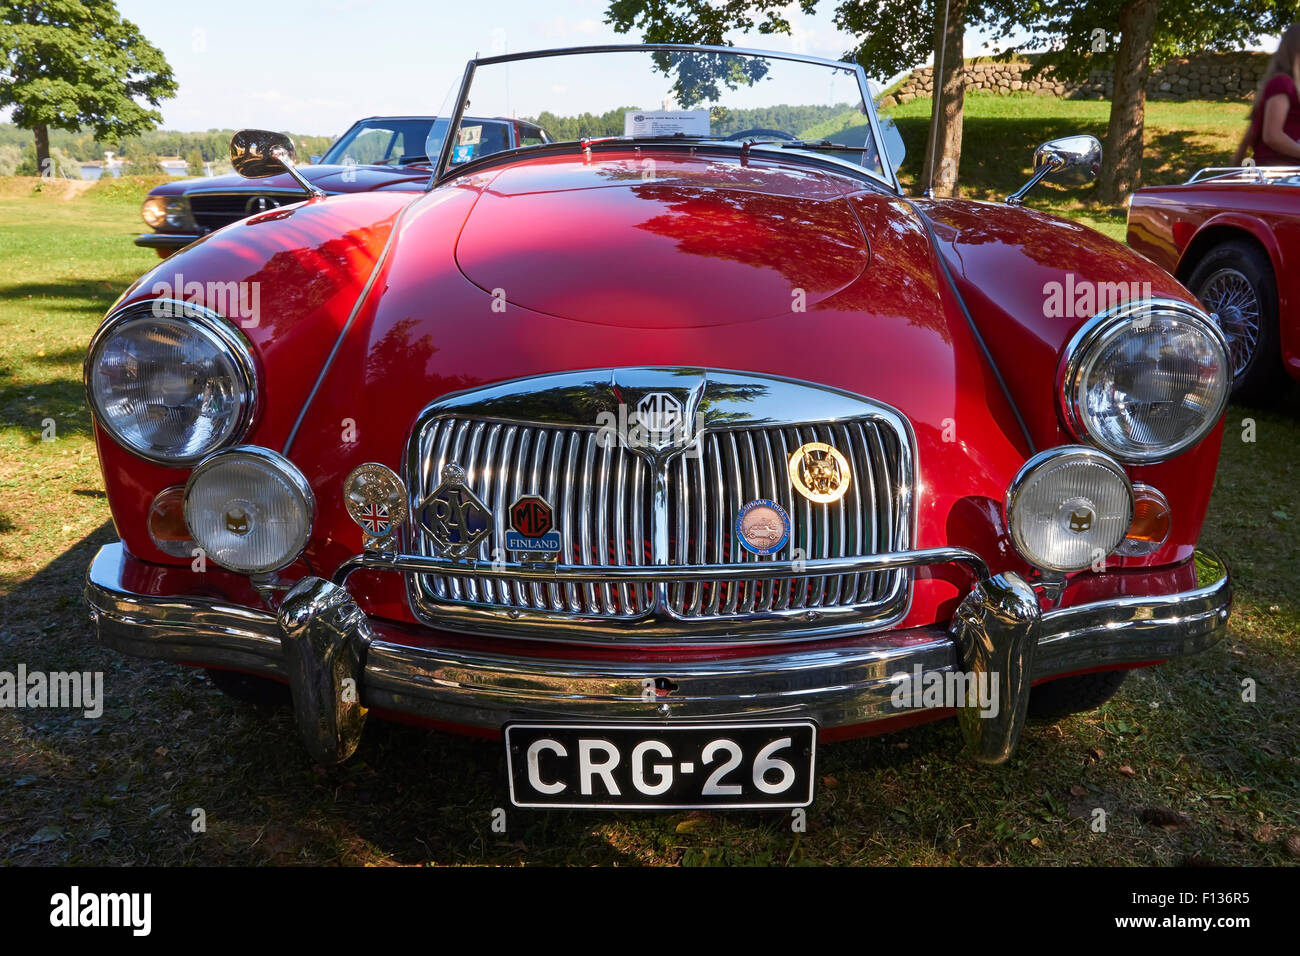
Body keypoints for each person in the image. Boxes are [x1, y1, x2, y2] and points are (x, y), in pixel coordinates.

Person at [1234, 24, 1300, 166]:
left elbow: (1251, 133)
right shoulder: (1282, 83)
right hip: (1279, 172)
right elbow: (1272, 136)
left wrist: (1235, 163)